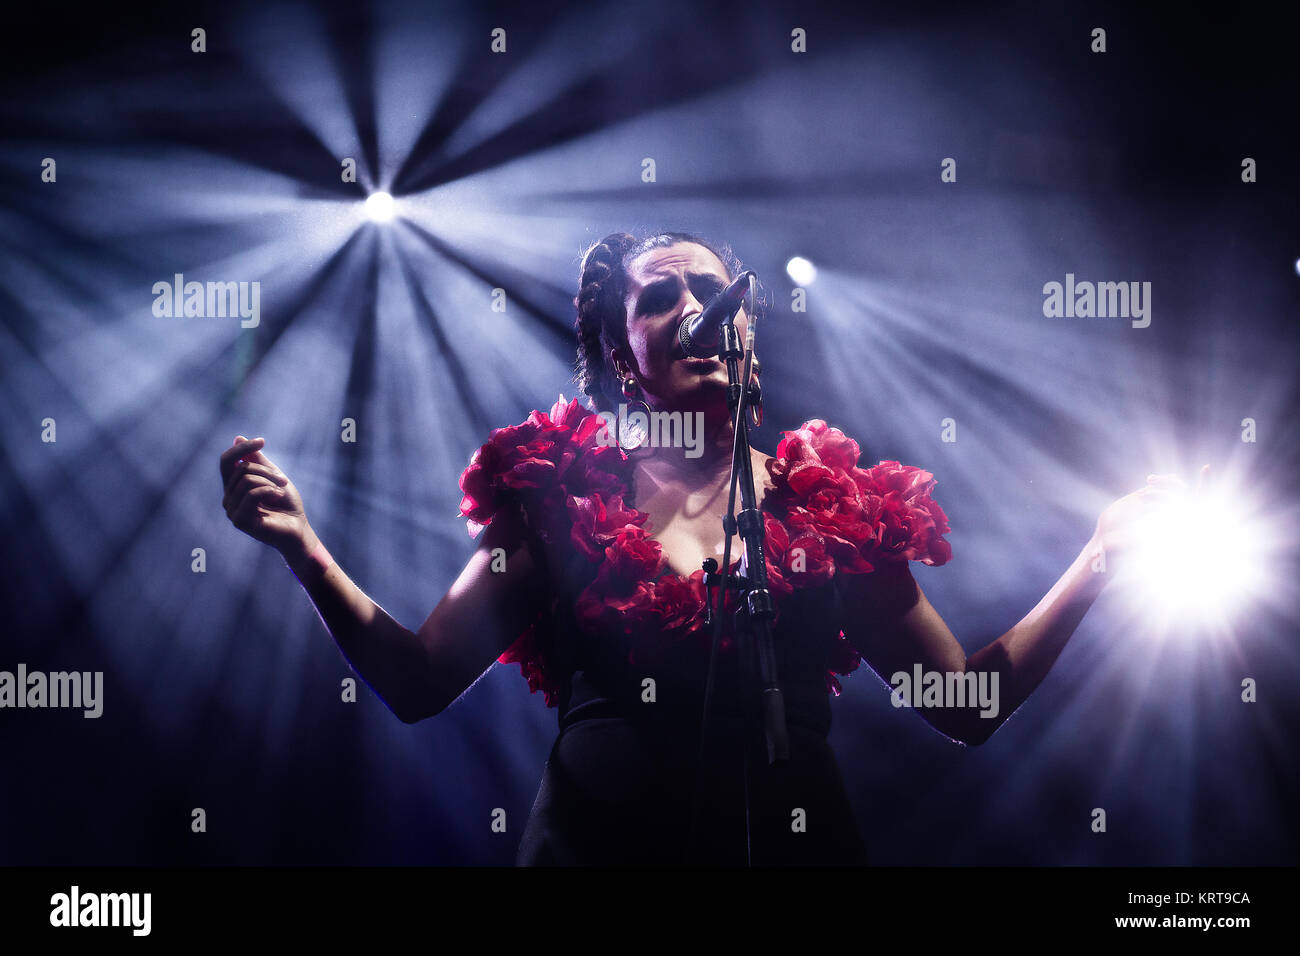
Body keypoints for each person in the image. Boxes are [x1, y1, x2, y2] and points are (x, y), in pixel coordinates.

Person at [219, 229, 1199, 866]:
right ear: (619, 353)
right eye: (658, 297)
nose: (695, 309)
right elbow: (422, 677)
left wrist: (1099, 557)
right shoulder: (561, 492)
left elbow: (964, 703)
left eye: (712, 290)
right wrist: (304, 546)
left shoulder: (830, 506)